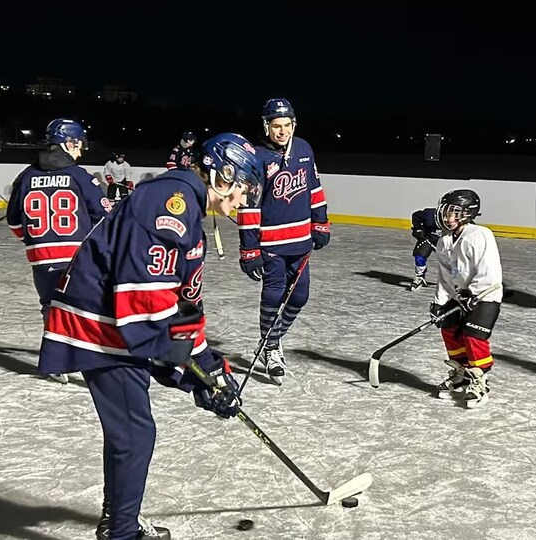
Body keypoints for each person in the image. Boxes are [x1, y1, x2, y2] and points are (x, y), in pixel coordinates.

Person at [38, 132, 260, 540]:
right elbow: (144, 300)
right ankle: (120, 531)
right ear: (224, 173)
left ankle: (118, 521)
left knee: (132, 431)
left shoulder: (190, 206)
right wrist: (191, 374)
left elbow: (181, 304)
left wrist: (210, 369)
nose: (246, 200)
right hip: (100, 323)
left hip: (115, 322)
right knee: (134, 433)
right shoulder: (171, 200)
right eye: (245, 187)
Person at [6, 118, 112, 384]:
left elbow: (15, 222)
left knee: (50, 307)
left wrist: (33, 242)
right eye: (79, 145)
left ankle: (56, 363)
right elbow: (103, 217)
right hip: (77, 256)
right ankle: (93, 360)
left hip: (41, 257)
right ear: (69, 143)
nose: (82, 150)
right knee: (88, 307)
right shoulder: (79, 175)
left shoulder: (26, 176)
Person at [237, 97, 330, 382]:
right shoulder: (255, 158)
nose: (282, 131)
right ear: (266, 126)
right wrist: (249, 249)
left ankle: (270, 340)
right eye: (276, 126)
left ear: (294, 124)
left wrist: (321, 222)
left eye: (286, 125)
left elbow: (314, 188)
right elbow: (248, 206)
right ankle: (272, 348)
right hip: (271, 244)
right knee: (275, 293)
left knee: (300, 296)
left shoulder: (303, 149)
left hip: (300, 240)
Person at [429, 189, 503, 408]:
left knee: (473, 336)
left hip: (485, 295)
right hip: (460, 295)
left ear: (467, 213)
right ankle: (461, 373)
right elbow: (445, 275)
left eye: (453, 213)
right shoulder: (444, 241)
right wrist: (440, 301)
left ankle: (479, 380)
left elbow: (488, 270)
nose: (447, 217)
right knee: (448, 328)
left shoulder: (480, 235)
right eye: (446, 212)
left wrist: (474, 293)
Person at [410, 206, 440, 291]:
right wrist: (417, 229)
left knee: (458, 261)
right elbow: (416, 215)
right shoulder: (430, 214)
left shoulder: (459, 218)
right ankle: (419, 276)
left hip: (448, 242)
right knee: (419, 257)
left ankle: (462, 282)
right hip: (429, 238)